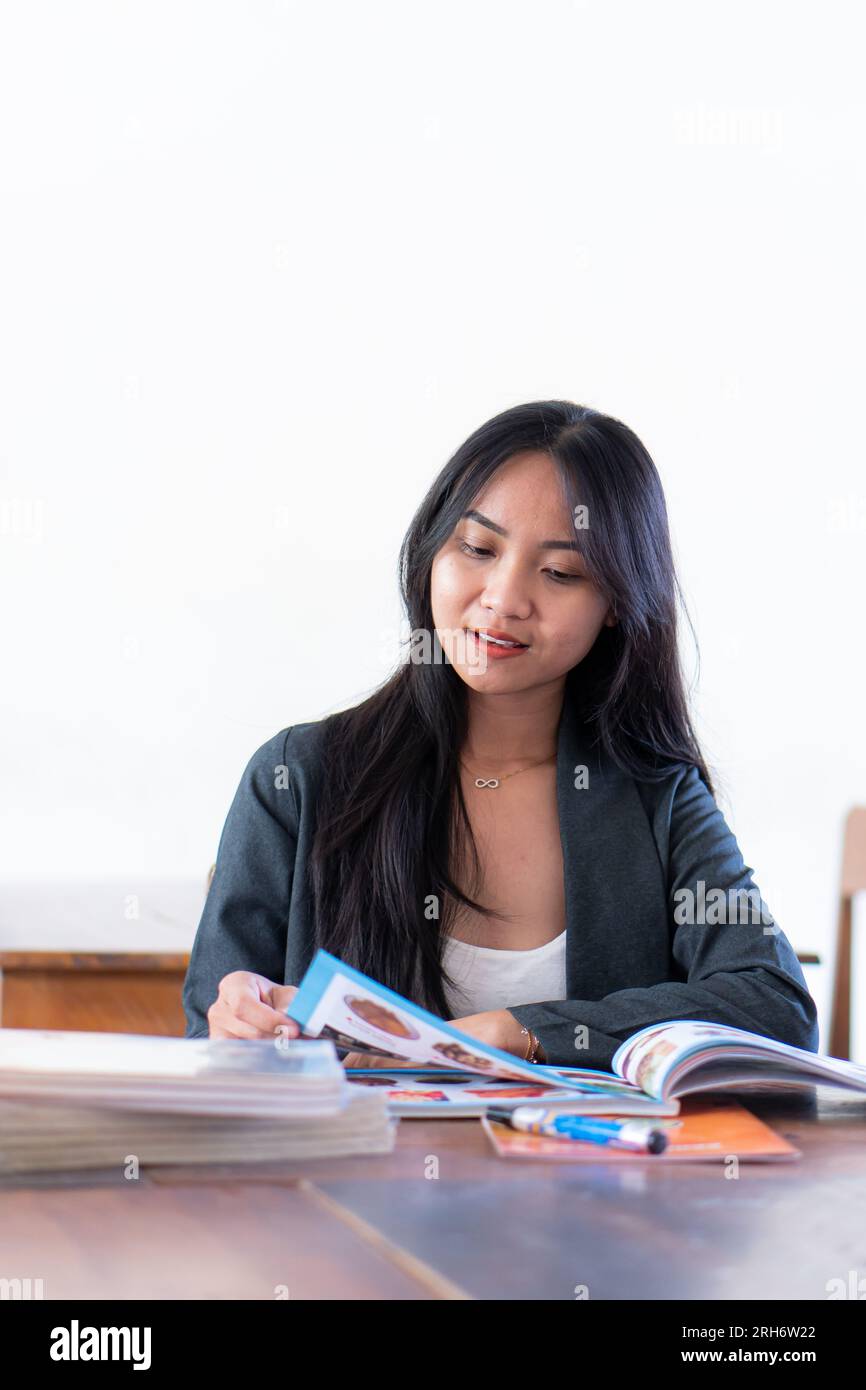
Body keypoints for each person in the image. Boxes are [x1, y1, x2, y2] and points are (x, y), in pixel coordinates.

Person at [182, 400, 819, 1070]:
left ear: (615, 606)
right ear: (432, 550)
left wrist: (518, 1031)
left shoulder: (658, 798)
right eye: (479, 548)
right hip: (350, 1173)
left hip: (584, 1174)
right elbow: (210, 1044)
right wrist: (238, 1019)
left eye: (561, 572)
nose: (505, 599)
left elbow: (773, 1006)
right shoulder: (296, 779)